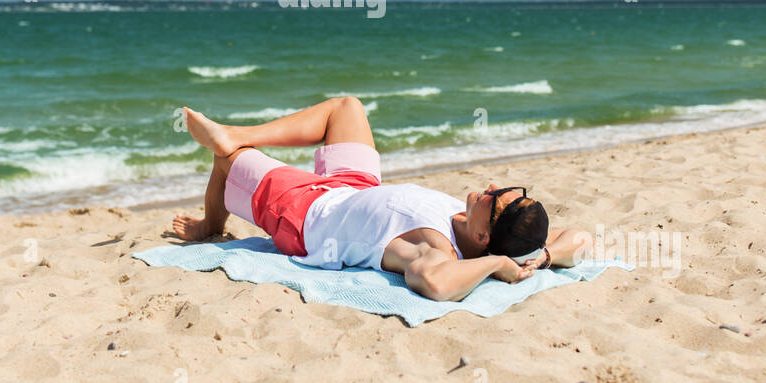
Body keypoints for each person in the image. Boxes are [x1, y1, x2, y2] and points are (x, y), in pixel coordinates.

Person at [171, 96, 592, 301]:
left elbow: (434, 282)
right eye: (504, 190)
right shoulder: (483, 230)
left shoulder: (437, 250)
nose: (492, 188)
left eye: (495, 198)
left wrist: (500, 264)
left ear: (484, 237)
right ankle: (239, 133)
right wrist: (546, 258)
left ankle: (211, 224)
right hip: (356, 188)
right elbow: (583, 238)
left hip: (307, 214)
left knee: (227, 159)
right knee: (347, 108)